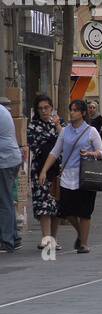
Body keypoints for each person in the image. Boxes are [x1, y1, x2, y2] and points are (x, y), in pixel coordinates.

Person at [38, 100, 102, 254]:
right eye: (71, 110)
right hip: (67, 176)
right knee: (65, 211)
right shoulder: (65, 131)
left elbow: (101, 152)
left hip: (85, 176)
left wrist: (91, 153)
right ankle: (81, 234)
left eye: (75, 110)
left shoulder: (91, 131)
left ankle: (84, 244)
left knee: (85, 211)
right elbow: (55, 152)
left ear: (82, 113)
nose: (72, 112)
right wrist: (44, 170)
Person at [27, 95, 62, 249]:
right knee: (43, 205)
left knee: (56, 205)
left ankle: (53, 239)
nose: (43, 111)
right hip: (40, 170)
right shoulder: (33, 126)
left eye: (46, 107)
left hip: (58, 172)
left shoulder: (58, 124)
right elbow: (38, 147)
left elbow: (66, 141)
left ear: (51, 107)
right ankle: (46, 238)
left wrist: (58, 127)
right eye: (40, 108)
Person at [0, 101, 26, 253]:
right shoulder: (3, 109)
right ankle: (14, 238)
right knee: (7, 199)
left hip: (5, 160)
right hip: (10, 158)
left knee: (4, 201)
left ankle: (6, 241)